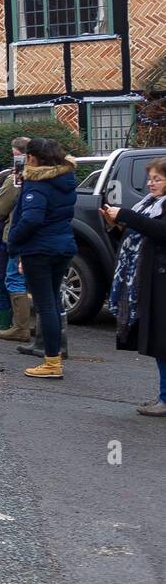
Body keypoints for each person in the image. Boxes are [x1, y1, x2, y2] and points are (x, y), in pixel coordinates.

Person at [7, 138, 78, 379]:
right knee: (54, 302)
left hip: (39, 250)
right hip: (63, 245)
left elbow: (31, 219)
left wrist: (13, 242)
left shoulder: (37, 183)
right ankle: (57, 353)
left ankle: (51, 361)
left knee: (45, 304)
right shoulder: (65, 181)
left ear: (33, 158)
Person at [103, 157, 166, 416]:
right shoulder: (149, 204)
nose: (151, 183)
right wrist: (116, 226)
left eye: (157, 179)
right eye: (150, 178)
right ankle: (164, 394)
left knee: (162, 340)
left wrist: (126, 215)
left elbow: (161, 232)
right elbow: (136, 238)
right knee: (158, 341)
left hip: (161, 278)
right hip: (149, 278)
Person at [0, 137, 32, 338]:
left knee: (13, 278)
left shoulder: (18, 177)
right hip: (42, 236)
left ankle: (18, 326)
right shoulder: (52, 176)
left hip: (17, 233)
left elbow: (2, 206)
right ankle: (36, 326)